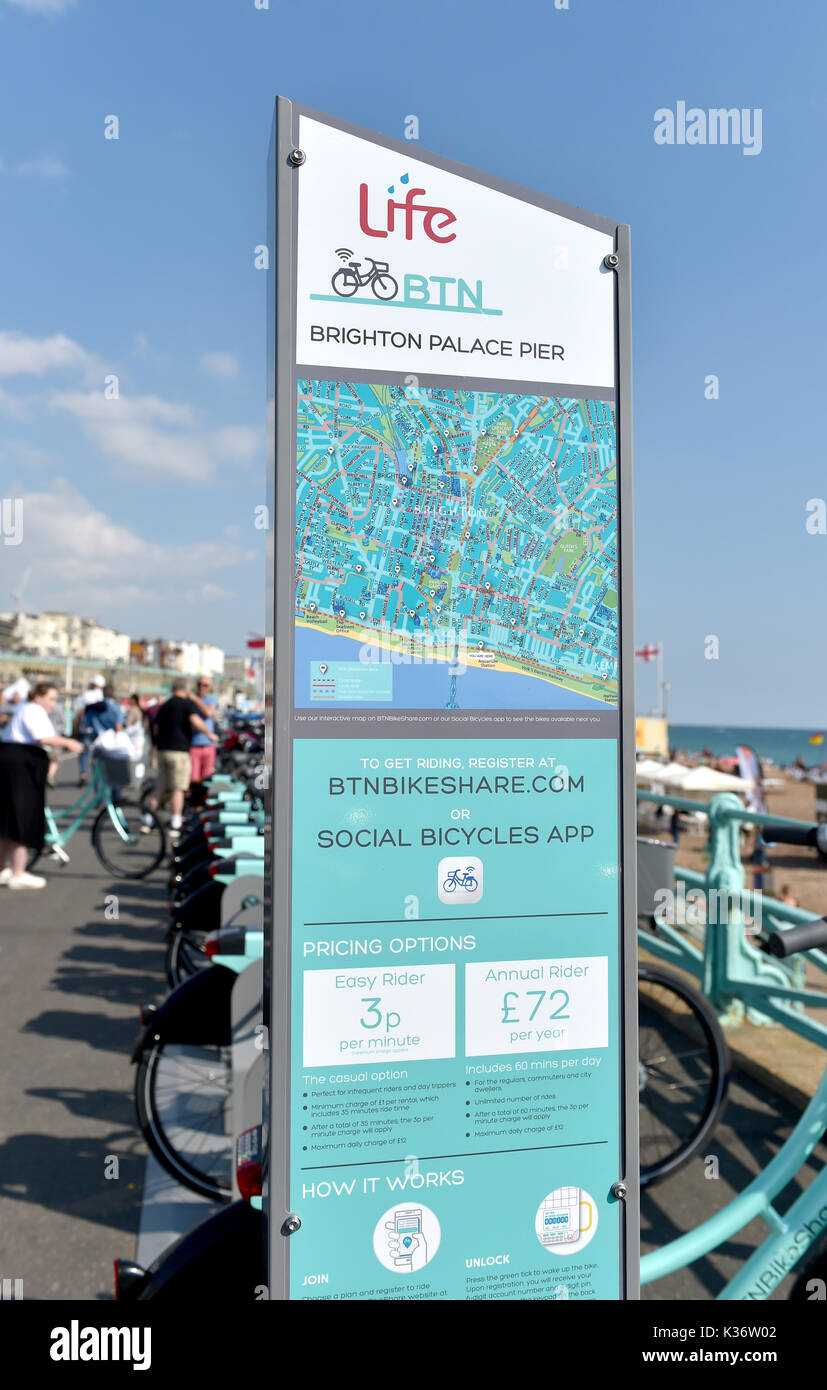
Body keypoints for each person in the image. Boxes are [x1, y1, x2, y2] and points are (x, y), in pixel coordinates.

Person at [0, 681, 83, 889]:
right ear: (38, 696)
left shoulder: (29, 710)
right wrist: (69, 743)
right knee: (22, 816)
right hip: (21, 767)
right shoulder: (33, 710)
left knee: (10, 820)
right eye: (52, 699)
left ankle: (3, 869)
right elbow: (43, 737)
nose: (53, 704)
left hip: (15, 763)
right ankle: (18, 872)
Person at [145, 679, 218, 839]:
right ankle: (176, 823)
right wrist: (209, 734)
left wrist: (157, 746)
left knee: (160, 788)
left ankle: (148, 819)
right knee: (178, 788)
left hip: (163, 751)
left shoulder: (165, 705)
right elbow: (196, 721)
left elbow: (156, 728)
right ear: (185, 690)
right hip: (179, 751)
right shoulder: (186, 704)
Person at [72, 675, 107, 785]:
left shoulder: (86, 695)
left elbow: (80, 713)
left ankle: (83, 773)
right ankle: (98, 779)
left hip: (86, 729)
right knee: (98, 756)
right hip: (100, 730)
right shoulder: (104, 696)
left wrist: (75, 729)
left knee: (83, 752)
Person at [188, 676, 219, 784]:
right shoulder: (189, 700)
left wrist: (195, 699)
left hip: (208, 746)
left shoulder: (211, 699)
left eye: (205, 685)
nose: (202, 687)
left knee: (206, 780)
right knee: (194, 780)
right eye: (199, 684)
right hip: (193, 745)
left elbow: (208, 713)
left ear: (209, 687)